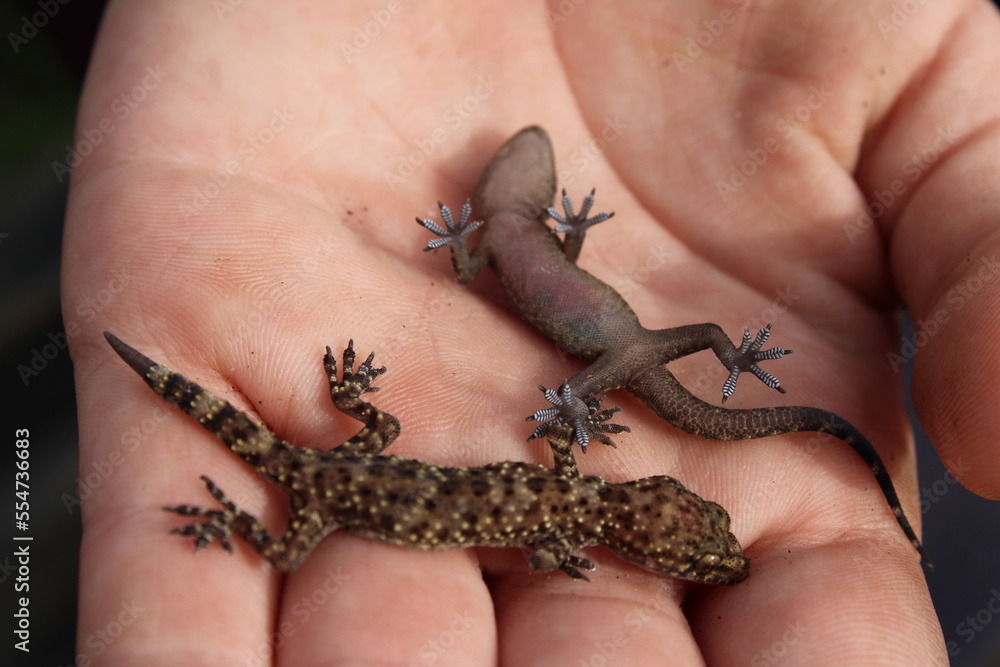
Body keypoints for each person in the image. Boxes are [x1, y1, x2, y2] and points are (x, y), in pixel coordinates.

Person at [65, 2, 1000, 663]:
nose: (723, 554)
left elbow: (553, 458)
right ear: (643, 544)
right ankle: (231, 515)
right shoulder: (557, 512)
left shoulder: (564, 488)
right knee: (281, 547)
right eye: (701, 546)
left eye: (703, 543)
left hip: (369, 462)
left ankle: (247, 479)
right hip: (340, 487)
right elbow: (548, 514)